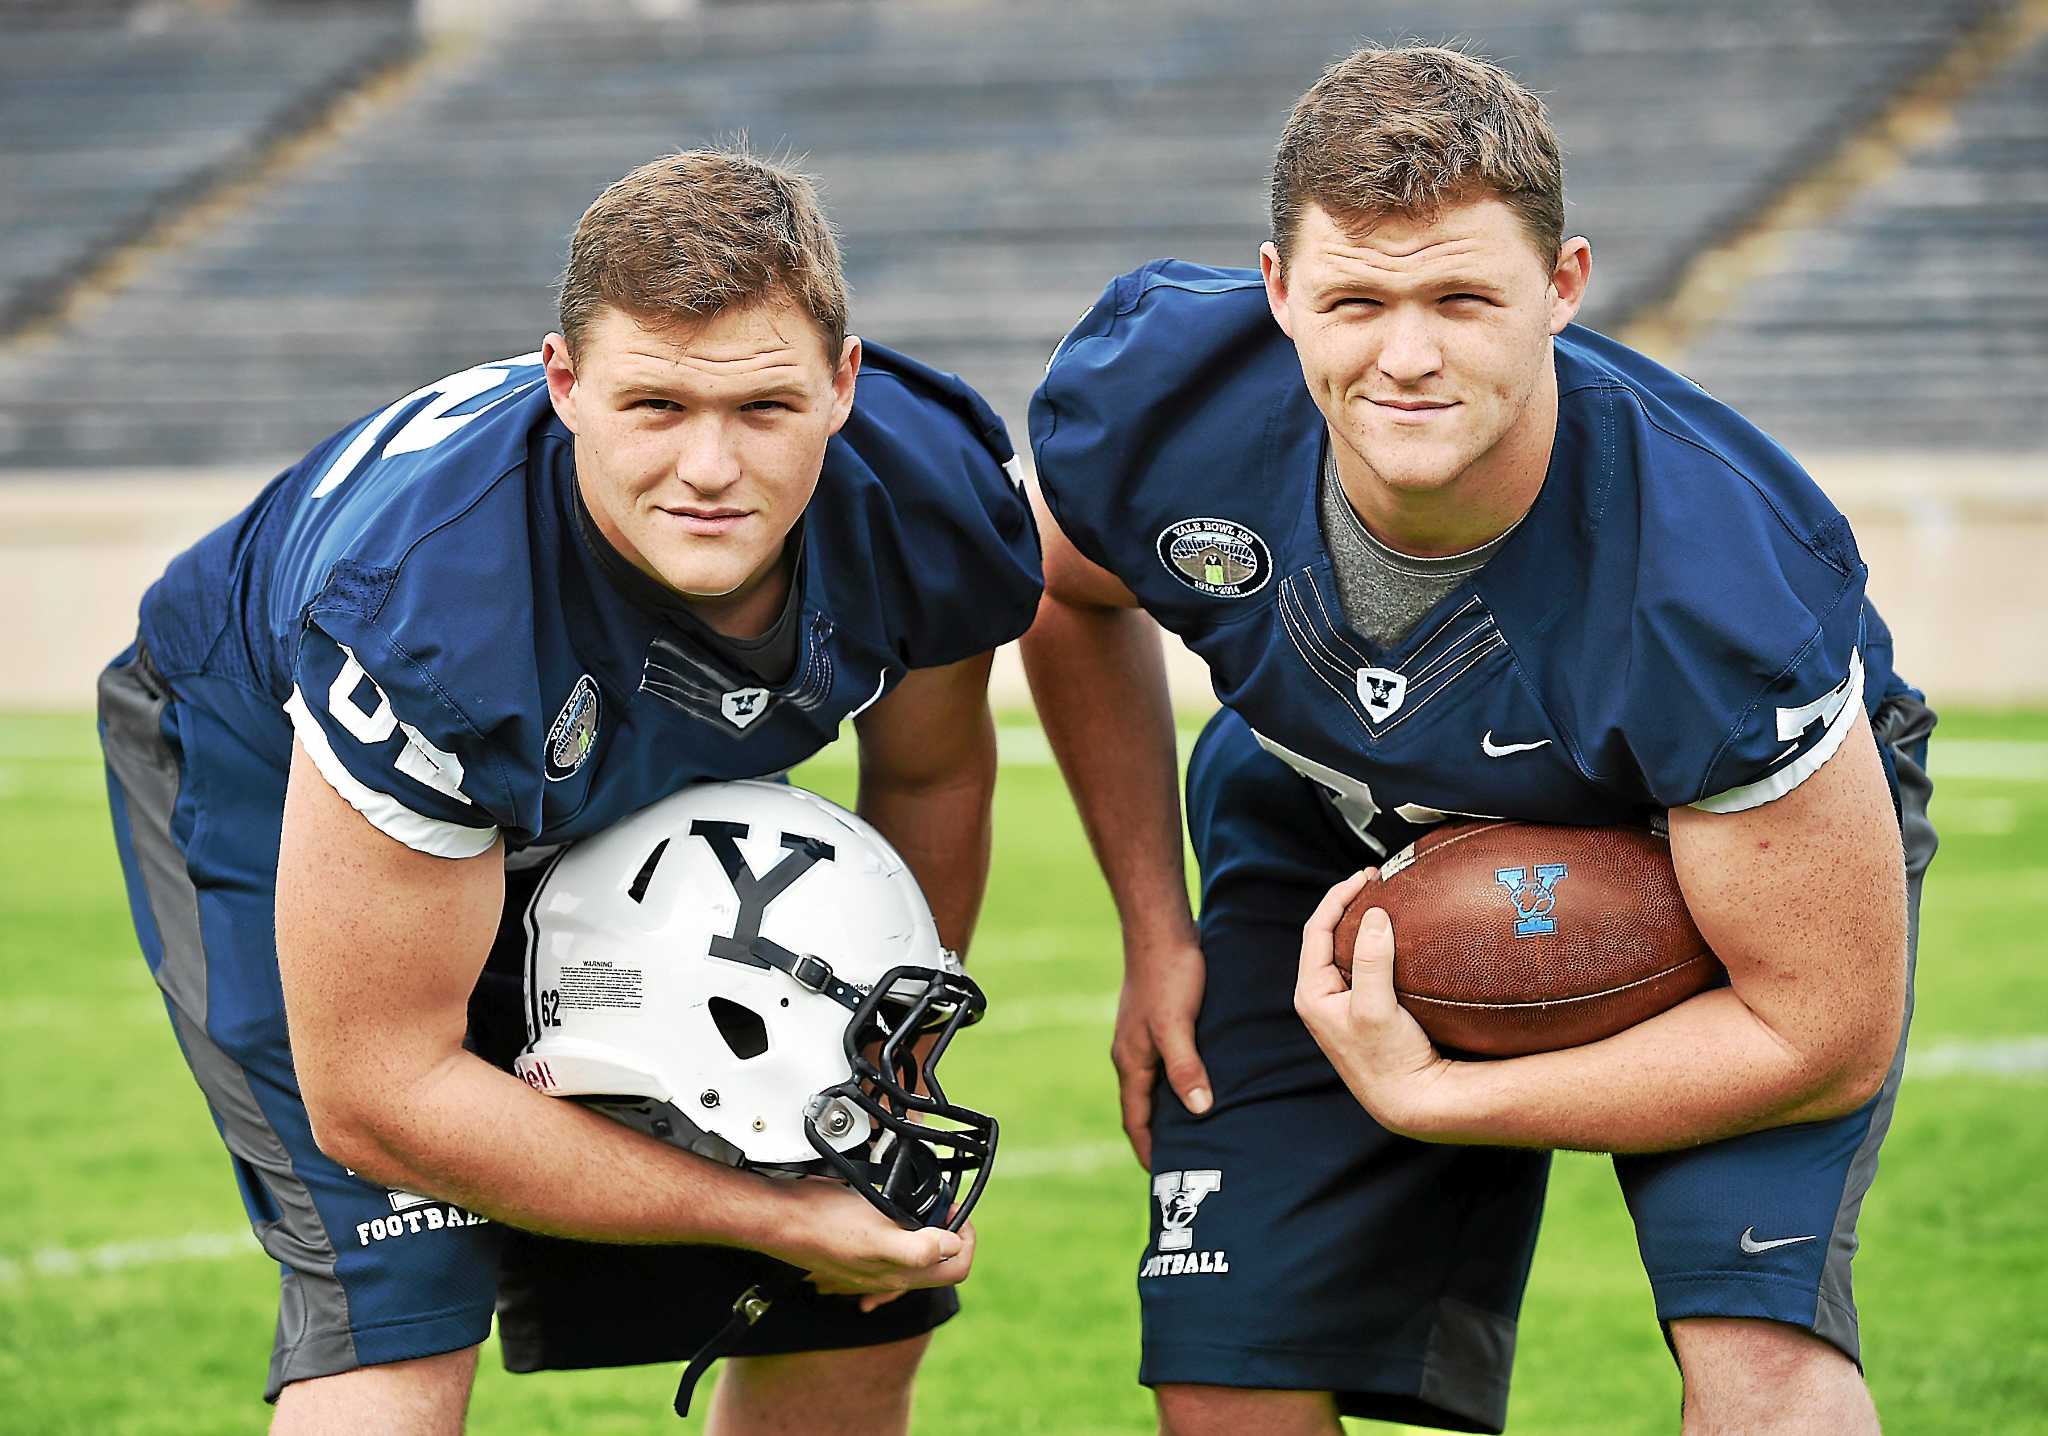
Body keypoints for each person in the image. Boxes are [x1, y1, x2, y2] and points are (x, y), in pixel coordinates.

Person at [1022, 45, 1935, 1436]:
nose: (1406, 355)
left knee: (1761, 1360)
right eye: (1354, 300)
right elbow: (1064, 586)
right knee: (1226, 1348)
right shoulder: (1158, 395)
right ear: (1275, 291)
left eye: (1462, 297)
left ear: (1562, 287)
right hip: (1331, 817)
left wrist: (1436, 1099)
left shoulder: (1716, 576)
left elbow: (1824, 1037)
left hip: (1694, 851)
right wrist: (1157, 926)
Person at [98, 148, 1042, 1434]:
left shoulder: (929, 493)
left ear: (842, 385)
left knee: (858, 1260)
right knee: (397, 1285)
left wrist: (865, 1067)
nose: (709, 466)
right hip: (260, 736)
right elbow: (381, 1092)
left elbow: (930, 768)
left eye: (762, 407)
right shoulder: (432, 615)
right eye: (653, 404)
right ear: (564, 386)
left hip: (592, 745)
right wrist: (768, 1210)